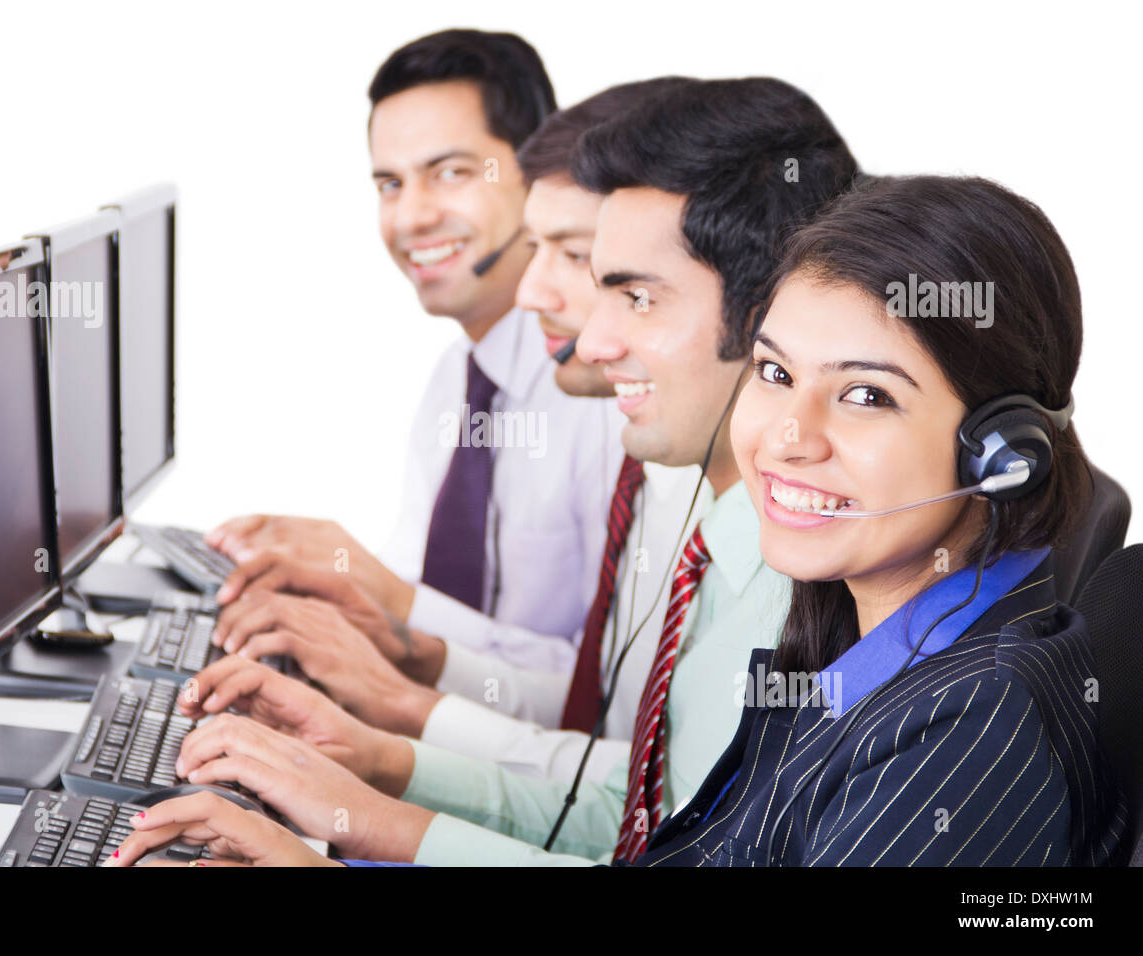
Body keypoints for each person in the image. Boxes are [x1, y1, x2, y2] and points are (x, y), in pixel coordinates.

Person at [108, 77, 863, 867]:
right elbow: (639, 802)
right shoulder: (713, 529)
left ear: (766, 312)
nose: (588, 336)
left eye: (631, 293)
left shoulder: (811, 570)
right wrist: (376, 767)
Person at [631, 174, 1129, 866]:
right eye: (774, 373)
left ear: (1000, 453)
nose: (788, 437)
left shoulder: (965, 733)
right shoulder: (848, 626)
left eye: (865, 394)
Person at [203, 29, 624, 682]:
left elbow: (610, 694)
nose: (411, 216)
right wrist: (320, 587)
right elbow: (417, 581)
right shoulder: (457, 378)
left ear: (538, 172)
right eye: (389, 184)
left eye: (450, 173)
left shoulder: (607, 389)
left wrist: (383, 596)